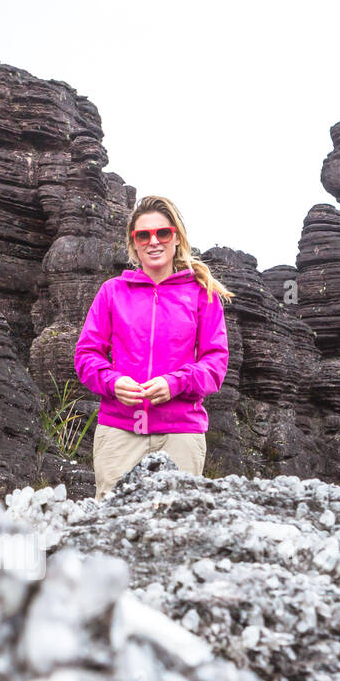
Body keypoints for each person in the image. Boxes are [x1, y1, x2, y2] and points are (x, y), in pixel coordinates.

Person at [74, 194, 234, 501]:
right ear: (134, 243)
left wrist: (175, 384)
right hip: (120, 431)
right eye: (143, 235)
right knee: (112, 523)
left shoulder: (202, 294)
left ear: (176, 238)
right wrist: (113, 382)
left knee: (177, 523)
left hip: (181, 433)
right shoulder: (112, 292)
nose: (154, 241)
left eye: (163, 233)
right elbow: (86, 355)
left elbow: (215, 364)